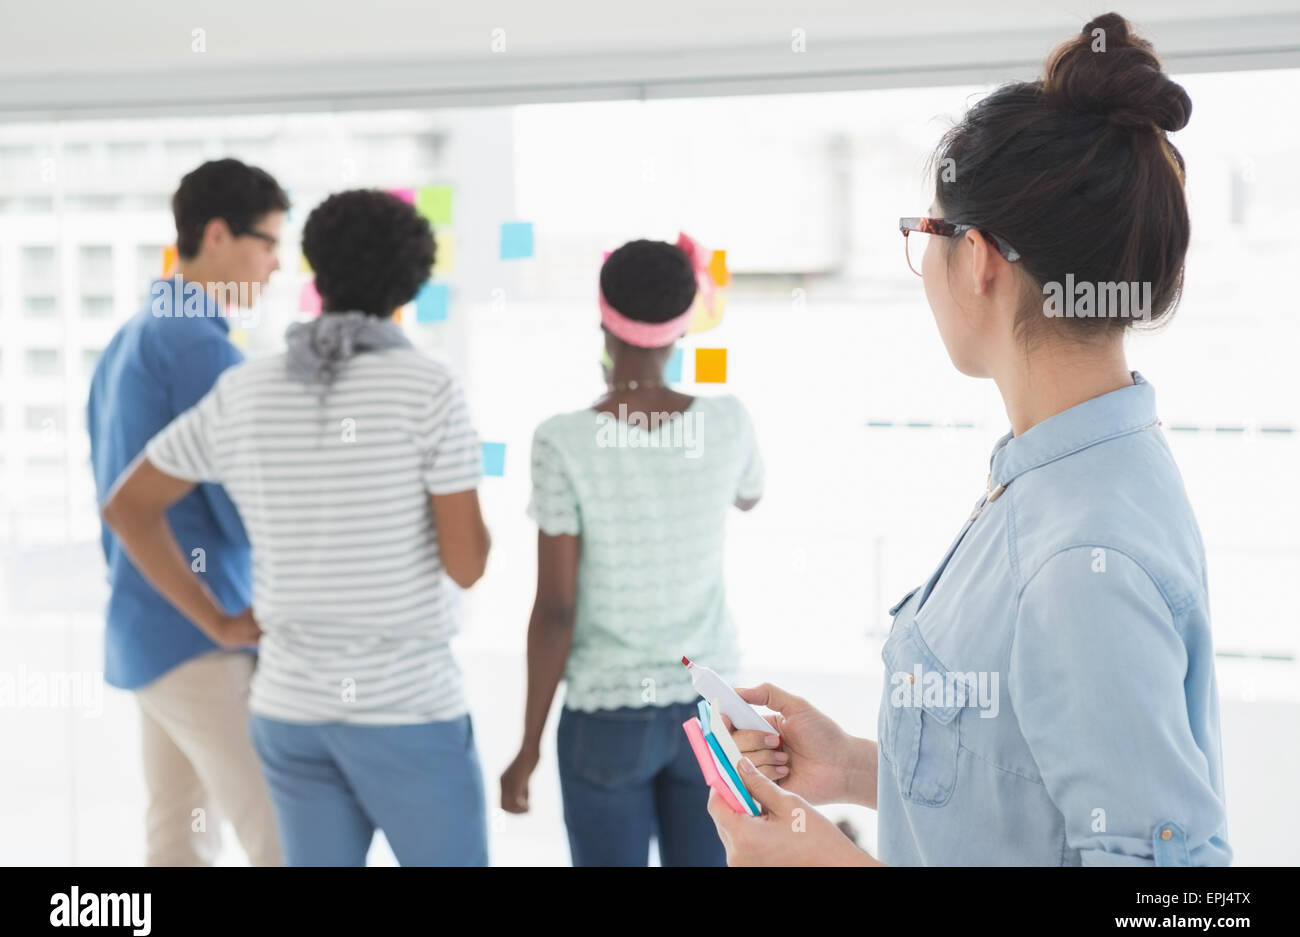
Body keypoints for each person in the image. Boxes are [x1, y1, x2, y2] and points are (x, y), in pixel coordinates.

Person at [708, 12, 1232, 866]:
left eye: (928, 236)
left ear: (980, 258)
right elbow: (1026, 795)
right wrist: (848, 766)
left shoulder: (1080, 557)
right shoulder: (1061, 471)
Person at [100, 189, 492, 866]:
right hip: (407, 711)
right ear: (411, 283)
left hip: (291, 715)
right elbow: (466, 564)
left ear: (318, 272)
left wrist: (221, 622)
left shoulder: (247, 389)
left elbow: (127, 505)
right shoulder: (429, 388)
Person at [500, 235, 765, 866]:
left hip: (604, 718)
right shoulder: (727, 420)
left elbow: (556, 609)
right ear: (683, 323)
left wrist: (528, 746)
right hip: (709, 710)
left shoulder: (563, 440)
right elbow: (749, 496)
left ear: (603, 319)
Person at [88, 157, 288, 866]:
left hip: (150, 633)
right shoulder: (199, 348)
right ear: (216, 234)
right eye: (267, 243)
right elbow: (242, 509)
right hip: (203, 633)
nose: (273, 266)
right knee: (282, 836)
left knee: (178, 838)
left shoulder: (134, 337)